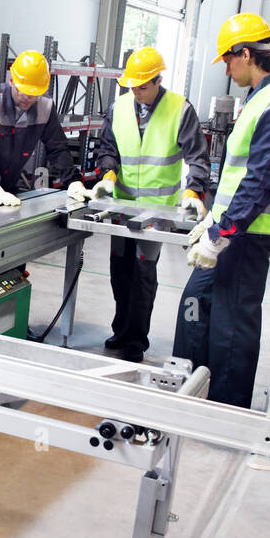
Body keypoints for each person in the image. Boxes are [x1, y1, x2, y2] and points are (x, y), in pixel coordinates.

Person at [171, 12, 270, 408]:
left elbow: (260, 181)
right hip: (232, 227)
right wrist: (213, 222)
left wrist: (221, 235)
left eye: (228, 61)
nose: (227, 70)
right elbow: (240, 174)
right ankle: (191, 389)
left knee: (231, 325)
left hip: (248, 235)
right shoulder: (262, 98)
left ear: (246, 54)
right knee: (195, 306)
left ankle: (227, 409)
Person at [67, 47, 208, 362]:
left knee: (143, 273)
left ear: (158, 80)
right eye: (133, 86)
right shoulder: (120, 107)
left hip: (158, 209)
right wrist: (107, 174)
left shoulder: (180, 110)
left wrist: (194, 191)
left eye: (143, 86)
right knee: (120, 267)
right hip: (122, 205)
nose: (137, 92)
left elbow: (197, 157)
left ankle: (136, 339)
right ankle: (120, 330)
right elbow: (108, 147)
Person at [0, 50, 75, 206]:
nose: (27, 98)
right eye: (23, 91)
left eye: (34, 94)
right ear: (11, 81)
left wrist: (73, 180)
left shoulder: (45, 106)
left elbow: (57, 147)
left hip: (7, 185)